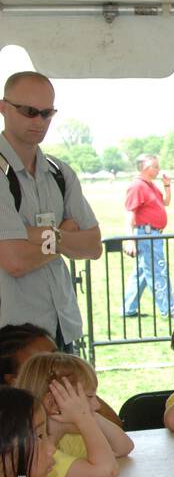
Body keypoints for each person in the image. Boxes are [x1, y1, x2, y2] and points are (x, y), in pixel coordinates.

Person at [0, 72, 103, 353]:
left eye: (47, 113)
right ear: (3, 107)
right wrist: (64, 236)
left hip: (62, 329)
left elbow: (94, 246)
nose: (39, 121)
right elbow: (15, 261)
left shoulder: (59, 172)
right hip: (12, 341)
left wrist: (36, 235)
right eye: (29, 112)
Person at [15, 353, 134, 469]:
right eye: (89, 397)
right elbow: (108, 470)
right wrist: (84, 418)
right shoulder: (38, 456)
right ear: (53, 404)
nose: (97, 405)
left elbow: (124, 447)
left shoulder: (68, 438)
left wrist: (89, 415)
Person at [122, 153, 174, 318]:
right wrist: (130, 239)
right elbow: (129, 213)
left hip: (153, 234)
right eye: (155, 166)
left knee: (142, 273)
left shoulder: (151, 186)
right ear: (146, 168)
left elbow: (166, 203)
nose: (158, 169)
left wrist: (167, 186)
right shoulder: (137, 186)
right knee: (157, 270)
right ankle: (168, 309)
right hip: (146, 235)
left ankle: (128, 308)